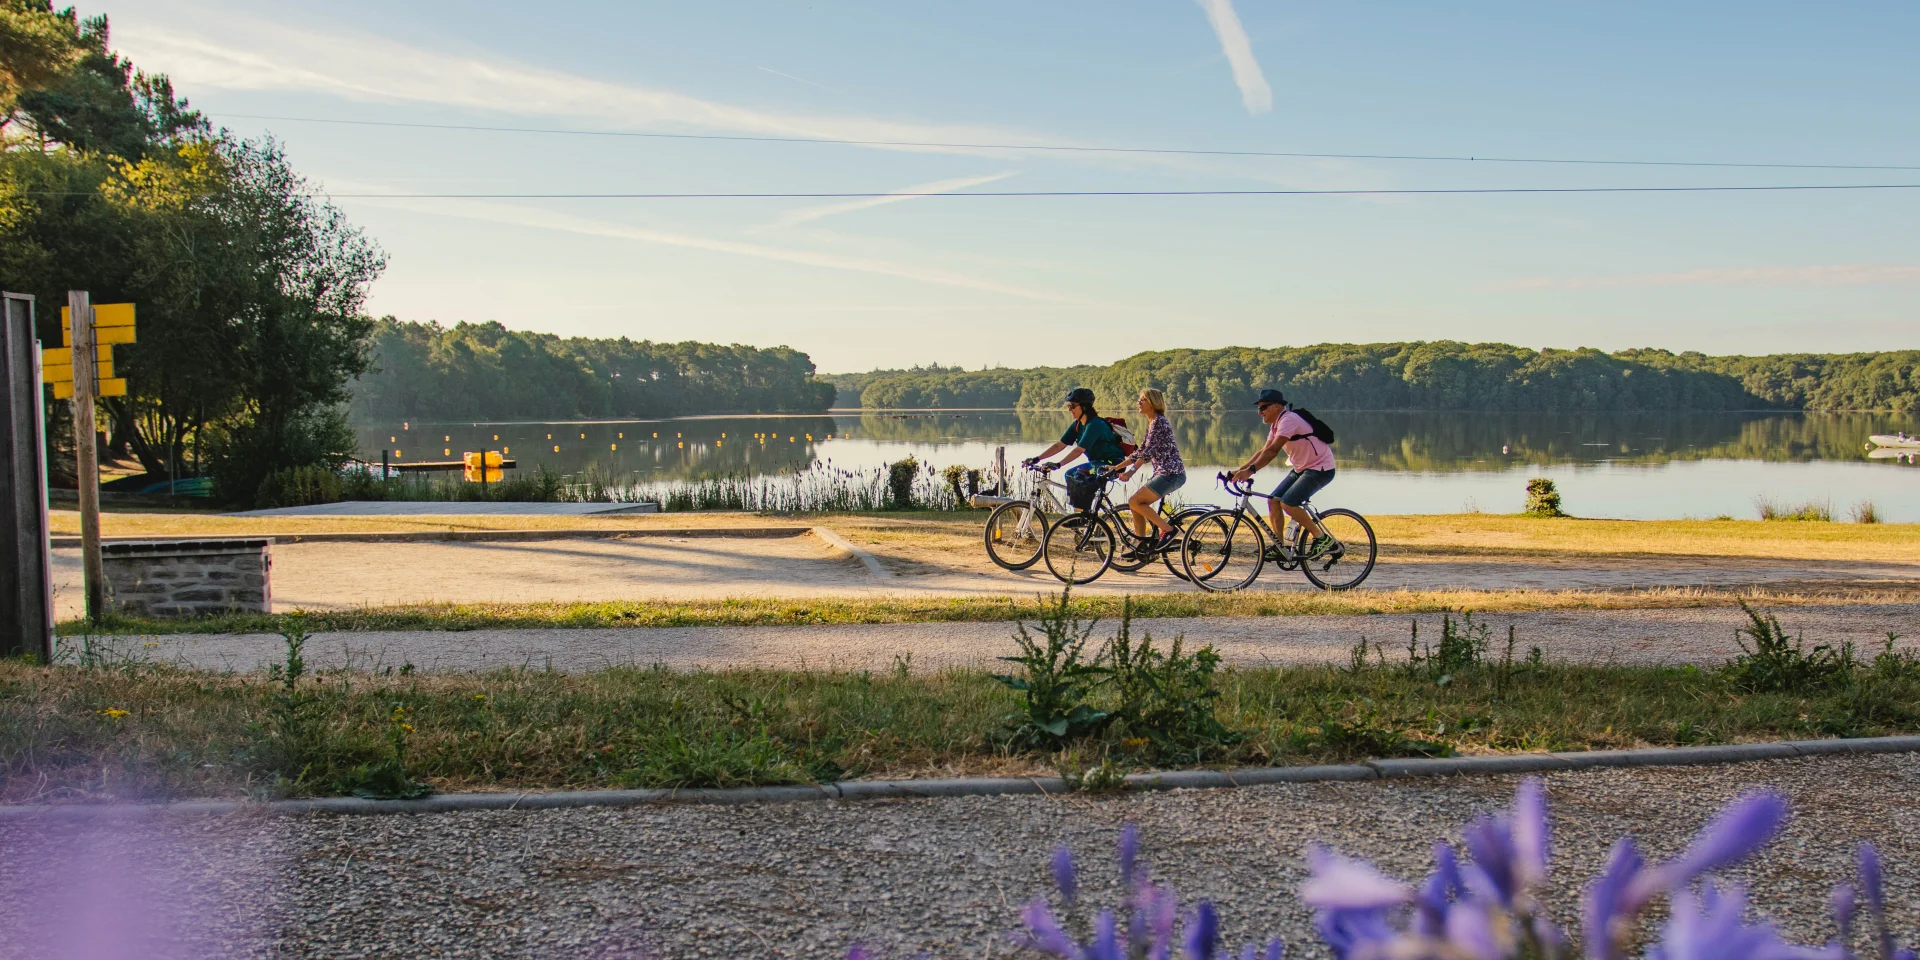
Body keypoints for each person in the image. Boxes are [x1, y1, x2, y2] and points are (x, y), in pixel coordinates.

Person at [1230, 389, 1336, 558]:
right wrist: (1240, 470)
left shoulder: (1288, 420)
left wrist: (1250, 471)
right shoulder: (1276, 425)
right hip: (1302, 468)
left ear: (1278, 406)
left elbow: (1273, 451)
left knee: (1288, 503)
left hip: (1320, 469)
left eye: (1264, 407)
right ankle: (1280, 547)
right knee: (1273, 500)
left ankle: (1321, 538)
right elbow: (1263, 451)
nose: (1260, 412)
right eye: (1258, 408)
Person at [1023, 388, 1126, 512]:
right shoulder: (1078, 425)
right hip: (1097, 463)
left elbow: (1079, 450)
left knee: (1076, 474)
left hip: (1112, 463)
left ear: (1084, 407)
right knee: (1071, 475)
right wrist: (1036, 459)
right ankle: (1082, 516)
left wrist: (1058, 464)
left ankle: (1081, 517)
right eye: (1068, 406)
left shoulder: (1095, 424)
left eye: (1072, 406)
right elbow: (1060, 445)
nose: (1069, 409)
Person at [1116, 388, 1184, 558]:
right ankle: (1142, 546)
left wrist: (1130, 473)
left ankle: (1168, 531)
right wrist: (1116, 468)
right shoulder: (1153, 422)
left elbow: (1148, 454)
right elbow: (1140, 452)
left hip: (1170, 474)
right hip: (1165, 474)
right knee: (1136, 505)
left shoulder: (1159, 422)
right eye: (1139, 399)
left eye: (1143, 399)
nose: (1139, 402)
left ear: (1153, 403)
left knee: (1135, 501)